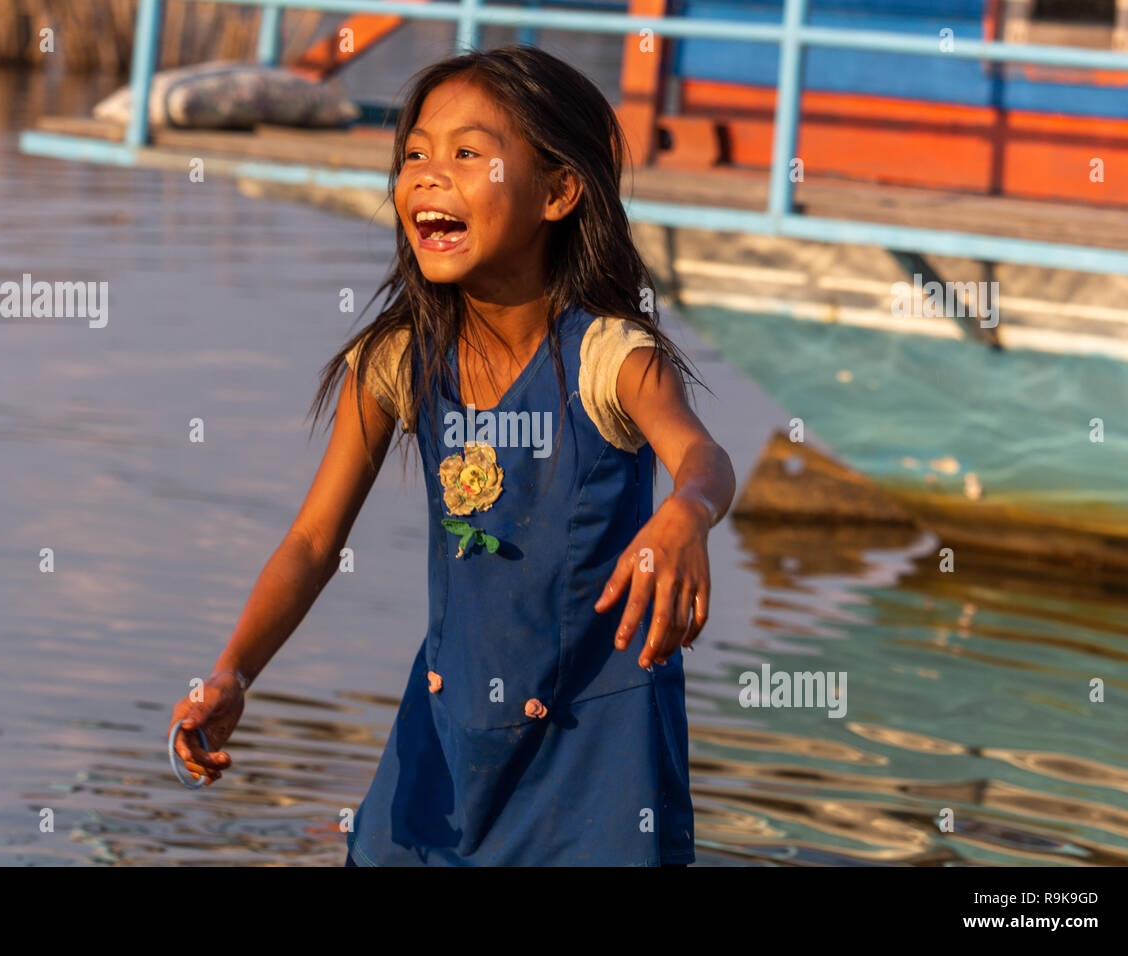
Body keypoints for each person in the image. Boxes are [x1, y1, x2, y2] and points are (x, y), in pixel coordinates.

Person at [169, 45, 735, 866]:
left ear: (558, 190)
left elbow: (702, 455)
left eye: (468, 154)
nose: (428, 176)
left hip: (597, 750)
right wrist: (232, 675)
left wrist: (688, 513)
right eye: (414, 156)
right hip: (448, 726)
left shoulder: (608, 356)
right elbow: (312, 543)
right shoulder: (398, 360)